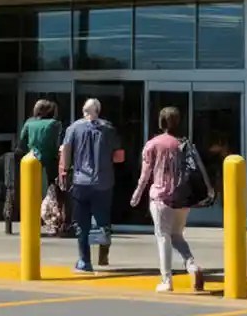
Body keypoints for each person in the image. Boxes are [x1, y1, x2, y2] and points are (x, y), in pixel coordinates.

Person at [131, 106, 205, 293]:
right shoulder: (183, 144)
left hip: (161, 197)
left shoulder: (153, 144)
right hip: (182, 198)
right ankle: (192, 265)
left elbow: (145, 174)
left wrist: (137, 195)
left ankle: (166, 280)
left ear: (160, 122)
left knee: (162, 237)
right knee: (177, 236)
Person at [59, 98, 121, 273]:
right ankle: (104, 247)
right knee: (103, 219)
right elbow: (119, 156)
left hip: (81, 182)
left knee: (82, 223)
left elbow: (65, 154)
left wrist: (65, 172)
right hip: (104, 181)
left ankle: (84, 261)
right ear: (98, 111)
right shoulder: (109, 129)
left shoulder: (73, 129)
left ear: (83, 110)